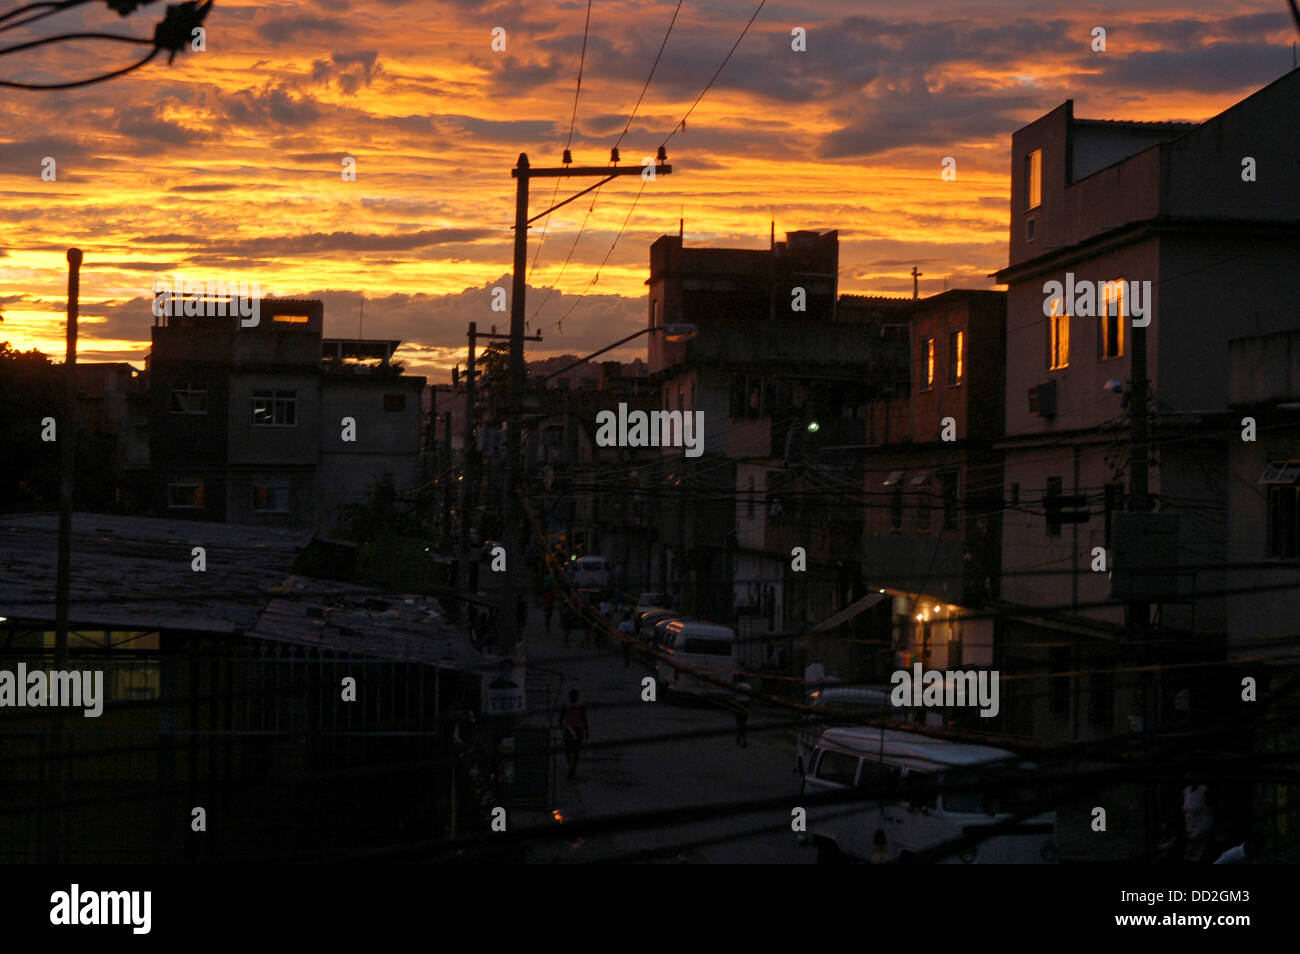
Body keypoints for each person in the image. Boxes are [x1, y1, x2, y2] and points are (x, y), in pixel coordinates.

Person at [558, 689, 589, 780]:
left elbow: (560, 720)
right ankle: (573, 768)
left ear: (569, 697)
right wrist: (587, 731)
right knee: (576, 750)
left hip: (569, 729)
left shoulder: (565, 706)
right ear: (577, 697)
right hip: (579, 729)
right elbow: (584, 720)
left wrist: (561, 726)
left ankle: (570, 764)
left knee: (567, 749)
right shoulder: (581, 707)